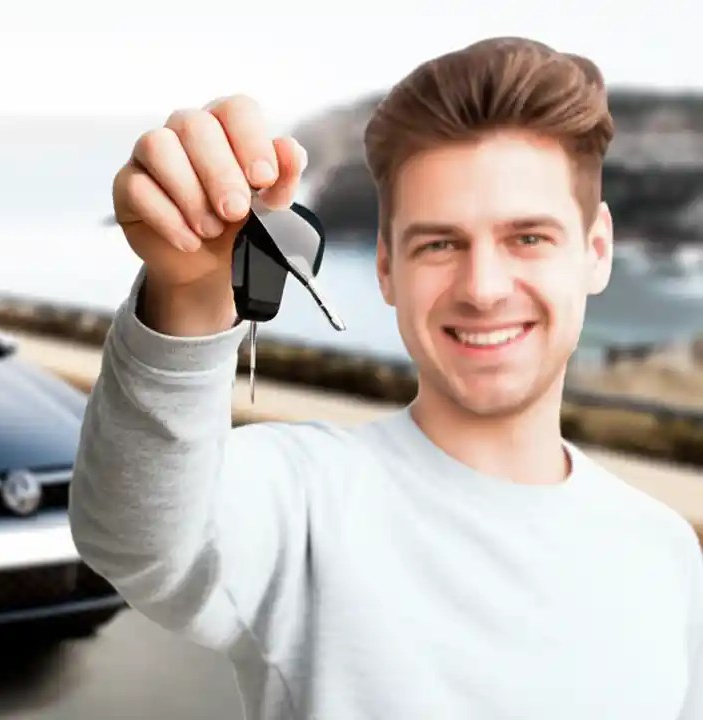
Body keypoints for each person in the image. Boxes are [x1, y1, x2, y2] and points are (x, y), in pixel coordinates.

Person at [68, 36, 703, 719]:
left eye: (528, 238)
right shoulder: (304, 500)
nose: (484, 289)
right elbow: (136, 537)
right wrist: (189, 294)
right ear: (386, 269)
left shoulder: (665, 554)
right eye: (439, 243)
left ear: (596, 251)